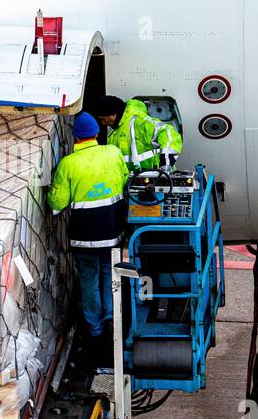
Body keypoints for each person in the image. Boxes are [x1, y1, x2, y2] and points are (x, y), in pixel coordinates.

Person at [48, 112, 131, 350]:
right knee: (109, 273)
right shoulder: (112, 153)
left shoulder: (68, 164)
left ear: (75, 138)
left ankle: (95, 330)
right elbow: (124, 178)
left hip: (84, 236)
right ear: (96, 134)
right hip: (112, 230)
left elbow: (57, 202)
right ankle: (111, 319)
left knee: (88, 278)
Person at [95, 95, 183, 173]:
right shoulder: (114, 132)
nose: (103, 123)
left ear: (113, 114)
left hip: (156, 179)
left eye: (103, 119)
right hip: (134, 183)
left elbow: (167, 132)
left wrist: (166, 162)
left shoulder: (138, 121)